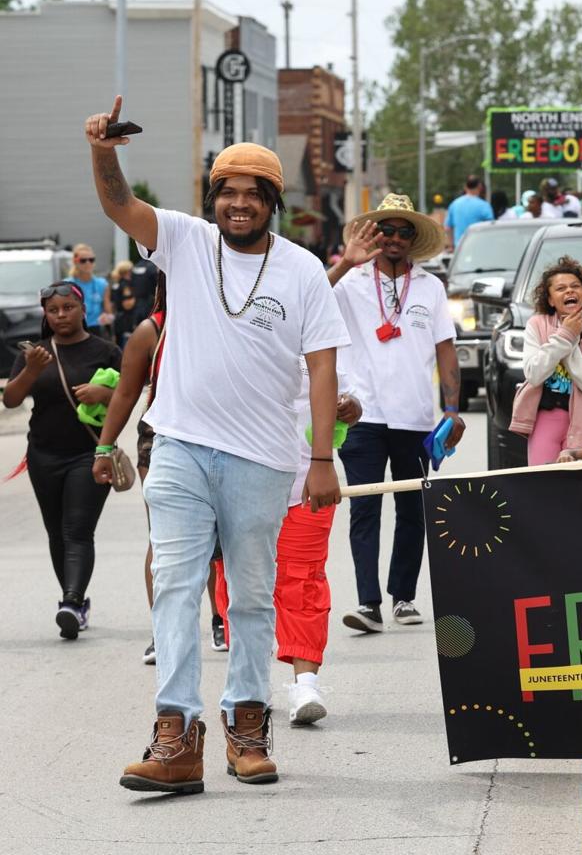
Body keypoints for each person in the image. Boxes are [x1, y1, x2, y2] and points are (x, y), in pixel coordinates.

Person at [86, 96, 348, 793]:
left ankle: (246, 724)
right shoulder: (184, 240)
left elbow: (322, 367)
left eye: (253, 194)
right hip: (179, 445)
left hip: (263, 459)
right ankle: (175, 734)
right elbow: (120, 206)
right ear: (213, 200)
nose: (239, 204)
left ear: (273, 203)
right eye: (227, 192)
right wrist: (103, 152)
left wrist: (321, 458)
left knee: (252, 597)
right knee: (176, 585)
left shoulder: (302, 271)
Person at [326, 194, 465, 634]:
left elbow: (446, 350)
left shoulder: (430, 287)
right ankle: (368, 603)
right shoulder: (349, 282)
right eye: (386, 229)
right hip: (361, 413)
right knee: (364, 508)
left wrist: (452, 409)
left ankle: (403, 597)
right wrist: (345, 263)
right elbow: (309, 299)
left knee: (412, 510)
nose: (395, 238)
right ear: (373, 234)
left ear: (413, 240)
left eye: (405, 232)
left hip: (415, 416)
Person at [94, 274, 228, 664]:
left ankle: (222, 619)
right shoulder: (150, 331)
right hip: (161, 440)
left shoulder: (230, 321)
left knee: (224, 538)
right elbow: (126, 392)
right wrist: (104, 446)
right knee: (166, 539)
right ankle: (163, 631)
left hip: (225, 438)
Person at [3, 281, 121, 638]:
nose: (60, 315)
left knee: (77, 530)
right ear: (45, 315)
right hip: (44, 455)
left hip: (90, 453)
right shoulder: (35, 353)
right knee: (56, 532)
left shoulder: (106, 351)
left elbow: (129, 392)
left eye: (68, 308)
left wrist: (105, 393)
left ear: (83, 309)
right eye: (53, 310)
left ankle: (71, 602)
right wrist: (31, 370)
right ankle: (76, 602)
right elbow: (10, 400)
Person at [277, 358, 362, 724]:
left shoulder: (321, 344)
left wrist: (349, 407)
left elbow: (352, 402)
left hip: (308, 483)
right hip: (242, 482)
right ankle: (247, 686)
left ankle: (305, 684)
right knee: (241, 586)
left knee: (304, 582)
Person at [509, 257, 582, 465]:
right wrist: (565, 335)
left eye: (575, 286)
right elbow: (534, 374)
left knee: (581, 481)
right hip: (545, 418)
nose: (569, 291)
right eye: (560, 288)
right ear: (550, 299)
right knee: (544, 479)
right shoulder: (537, 324)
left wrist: (571, 340)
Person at [66, 243, 114, 337]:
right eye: (83, 260)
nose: (88, 263)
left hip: (97, 331)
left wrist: (108, 317)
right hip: (75, 330)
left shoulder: (102, 284)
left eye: (91, 260)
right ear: (75, 262)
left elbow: (108, 311)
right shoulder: (68, 284)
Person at [443, 175, 494, 250]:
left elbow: (448, 228)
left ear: (465, 187)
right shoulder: (484, 206)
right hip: (480, 247)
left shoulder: (454, 204)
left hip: (460, 248)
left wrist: (451, 246)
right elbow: (491, 227)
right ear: (480, 186)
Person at [110, 260, 138, 346]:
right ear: (128, 271)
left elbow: (113, 304)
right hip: (126, 321)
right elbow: (127, 304)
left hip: (118, 319)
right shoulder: (126, 285)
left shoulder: (116, 285)